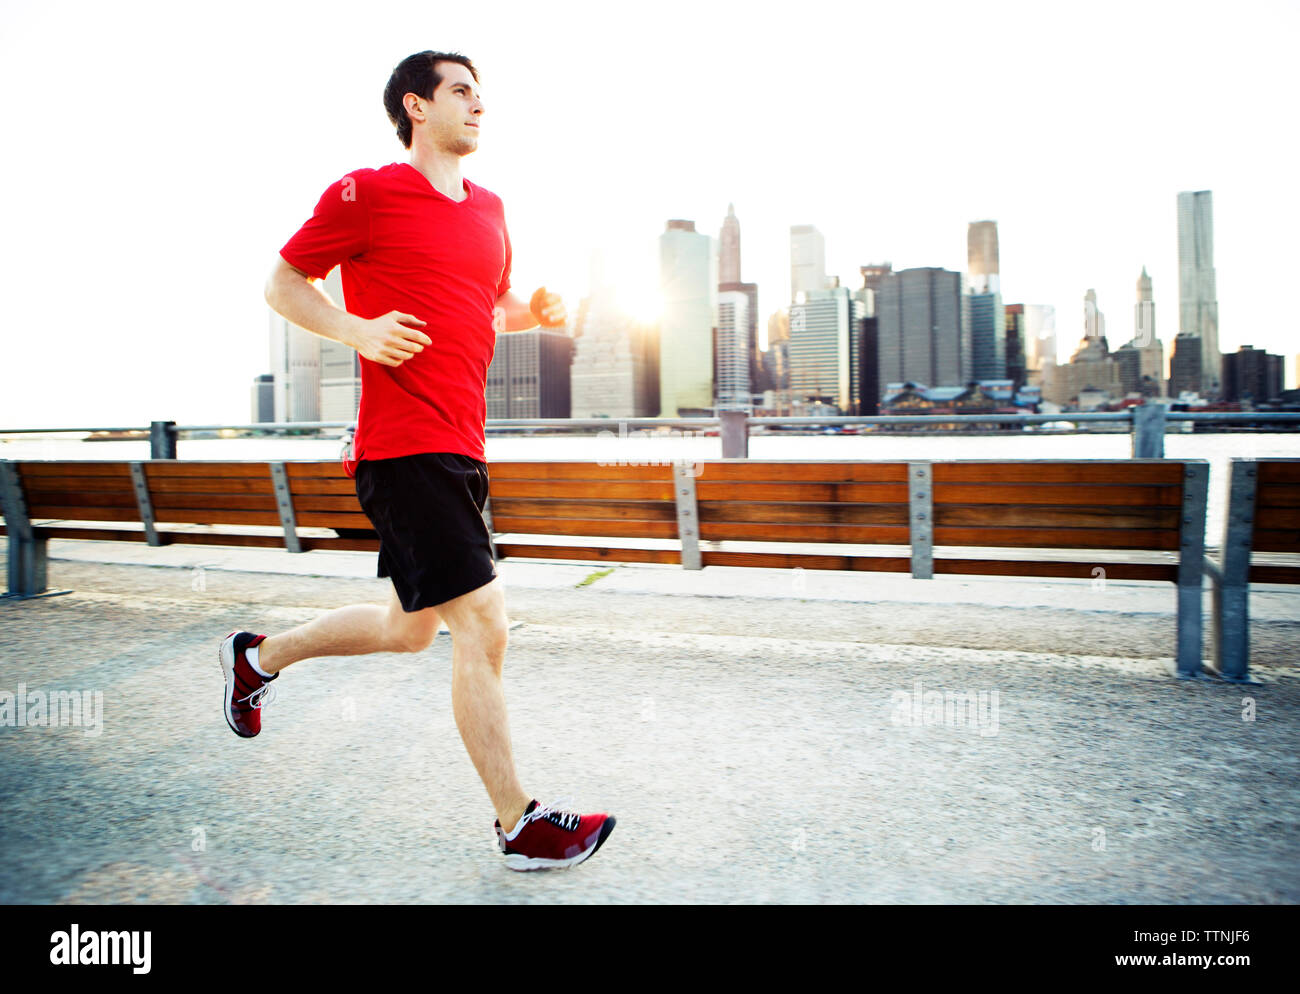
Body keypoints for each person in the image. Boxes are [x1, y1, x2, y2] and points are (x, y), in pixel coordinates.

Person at [219, 50, 615, 871]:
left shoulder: (492, 208)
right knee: (485, 626)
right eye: (461, 92)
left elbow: (485, 308)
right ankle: (519, 826)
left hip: (464, 447)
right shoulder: (364, 193)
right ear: (415, 106)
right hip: (403, 448)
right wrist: (357, 332)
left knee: (409, 631)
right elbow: (282, 282)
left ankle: (257, 658)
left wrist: (530, 310)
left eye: (482, 94)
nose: (479, 106)